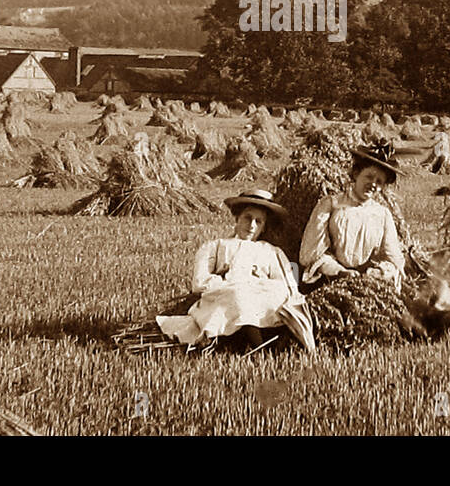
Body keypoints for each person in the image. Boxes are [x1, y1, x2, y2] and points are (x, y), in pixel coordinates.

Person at [156, 190, 313, 350]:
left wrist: (259, 283)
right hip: (225, 297)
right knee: (239, 296)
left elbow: (286, 285)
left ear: (264, 227)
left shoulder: (272, 252)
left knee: (270, 297)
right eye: (248, 218)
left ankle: (260, 341)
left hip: (262, 296)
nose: (252, 225)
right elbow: (199, 282)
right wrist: (225, 281)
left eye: (258, 222)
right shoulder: (215, 246)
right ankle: (258, 348)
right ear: (237, 219)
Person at [299, 140, 406, 290]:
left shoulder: (382, 214)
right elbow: (312, 252)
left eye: (379, 181)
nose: (373, 184)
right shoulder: (331, 204)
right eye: (369, 176)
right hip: (329, 279)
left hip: (368, 283)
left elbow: (393, 257)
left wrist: (377, 272)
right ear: (356, 174)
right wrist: (339, 271)